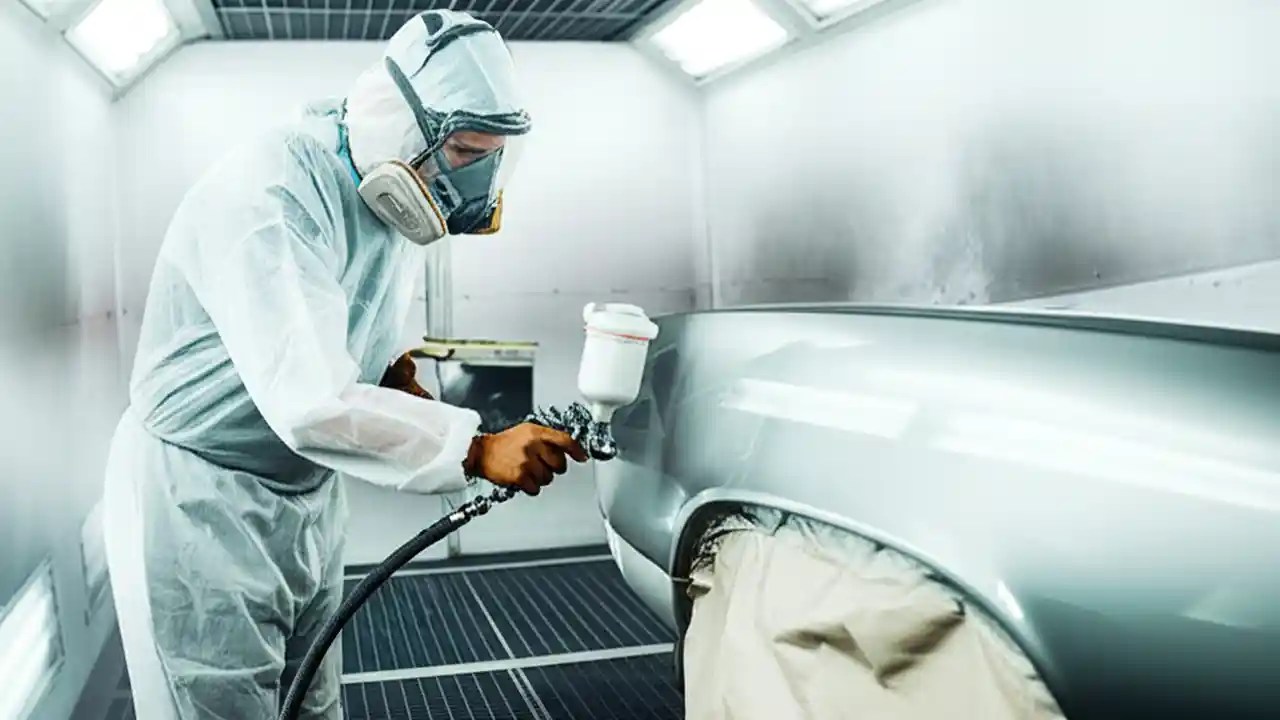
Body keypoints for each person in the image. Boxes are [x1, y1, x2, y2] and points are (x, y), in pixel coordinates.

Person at [101, 11, 586, 719]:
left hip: (306, 499)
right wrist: (477, 450)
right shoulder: (272, 193)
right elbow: (311, 402)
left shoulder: (394, 194)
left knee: (311, 702)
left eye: (491, 156)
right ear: (406, 127)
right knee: (215, 705)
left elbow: (367, 306)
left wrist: (397, 373)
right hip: (200, 501)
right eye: (466, 153)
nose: (477, 180)